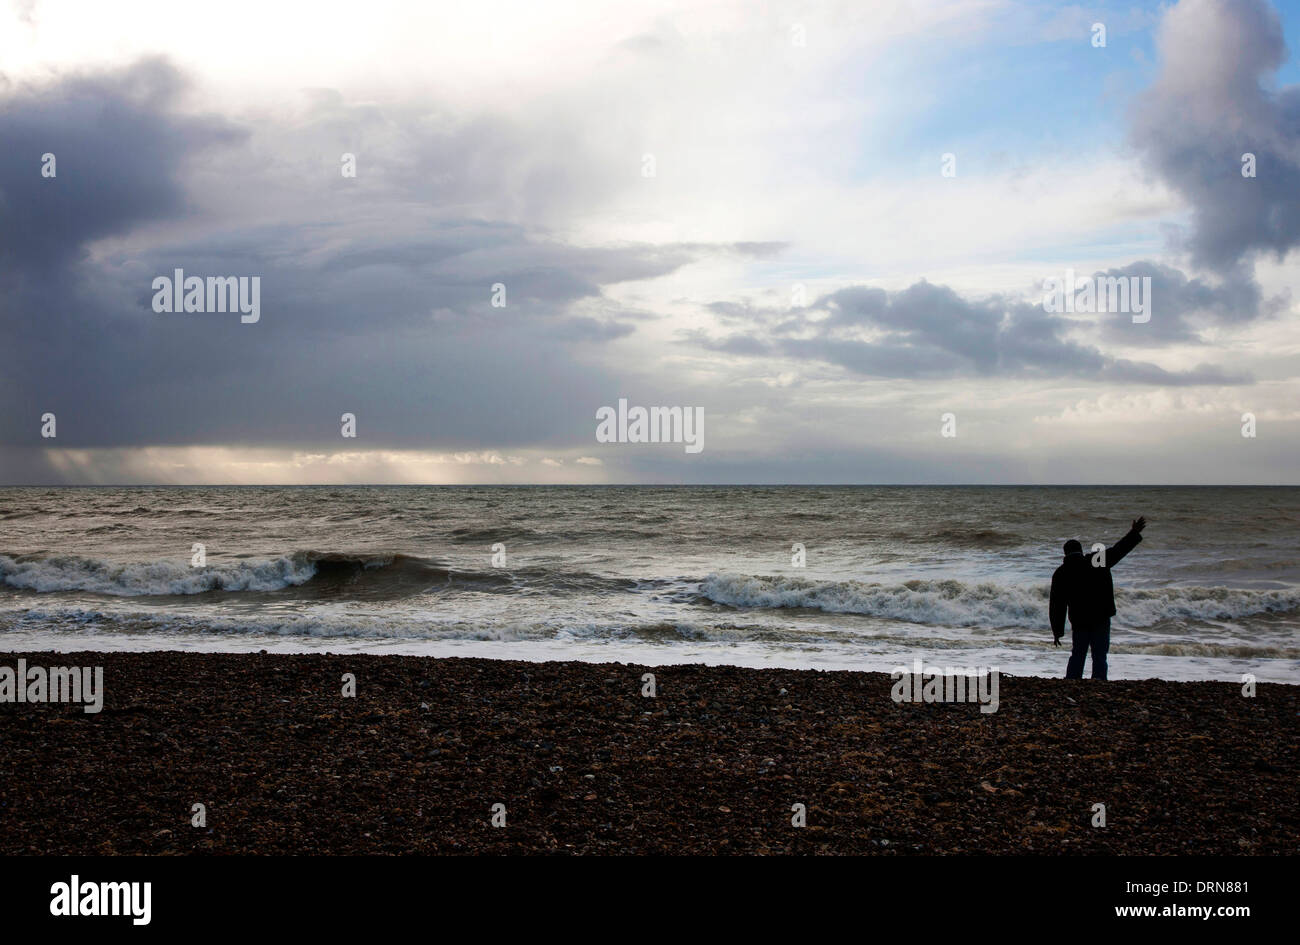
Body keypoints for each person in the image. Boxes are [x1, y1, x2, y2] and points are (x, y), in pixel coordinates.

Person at [1049, 516, 1146, 680]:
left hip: (1080, 619)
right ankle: (1099, 683)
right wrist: (1134, 532)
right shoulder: (1096, 561)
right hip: (1101, 616)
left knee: (1078, 654)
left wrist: (1057, 632)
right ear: (1081, 550)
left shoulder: (1061, 572)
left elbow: (1057, 605)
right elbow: (1119, 550)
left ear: (1065, 553)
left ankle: (1072, 682)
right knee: (1100, 655)